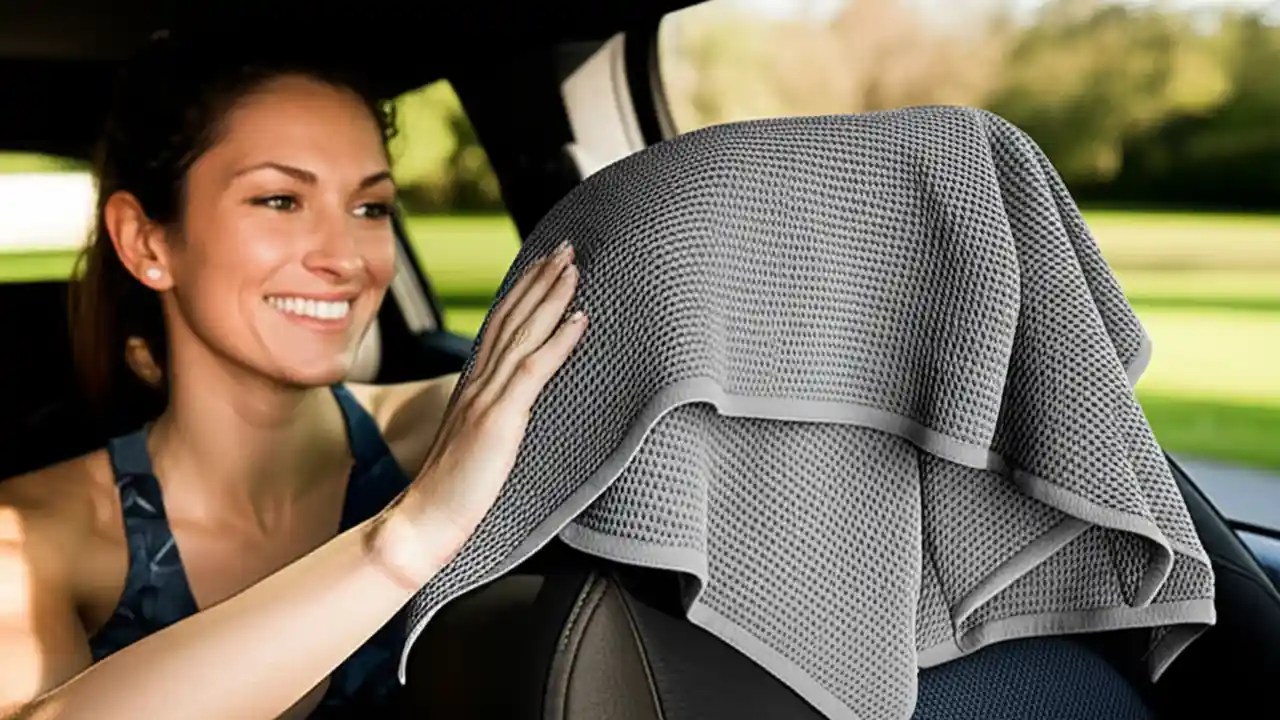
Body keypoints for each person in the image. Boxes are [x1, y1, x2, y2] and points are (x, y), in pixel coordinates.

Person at [0, 31, 588, 719]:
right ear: (146, 241)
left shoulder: (467, 428)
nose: (346, 258)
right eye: (280, 200)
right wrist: (403, 540)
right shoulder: (34, 537)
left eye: (370, 208)